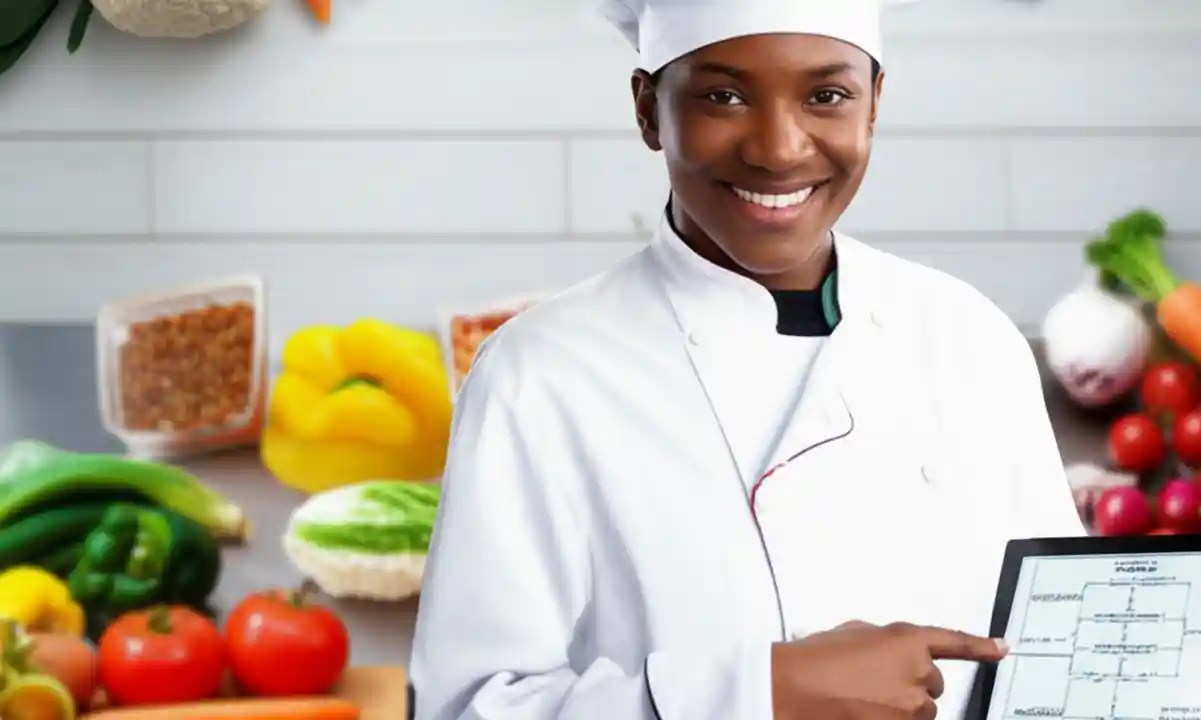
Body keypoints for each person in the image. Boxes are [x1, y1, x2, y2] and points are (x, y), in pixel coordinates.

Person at [408, 0, 1086, 717]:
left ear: (874, 104)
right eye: (724, 97)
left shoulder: (969, 338)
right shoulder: (542, 372)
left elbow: (1058, 652)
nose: (779, 150)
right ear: (648, 110)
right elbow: (464, 706)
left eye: (827, 96)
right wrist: (760, 694)